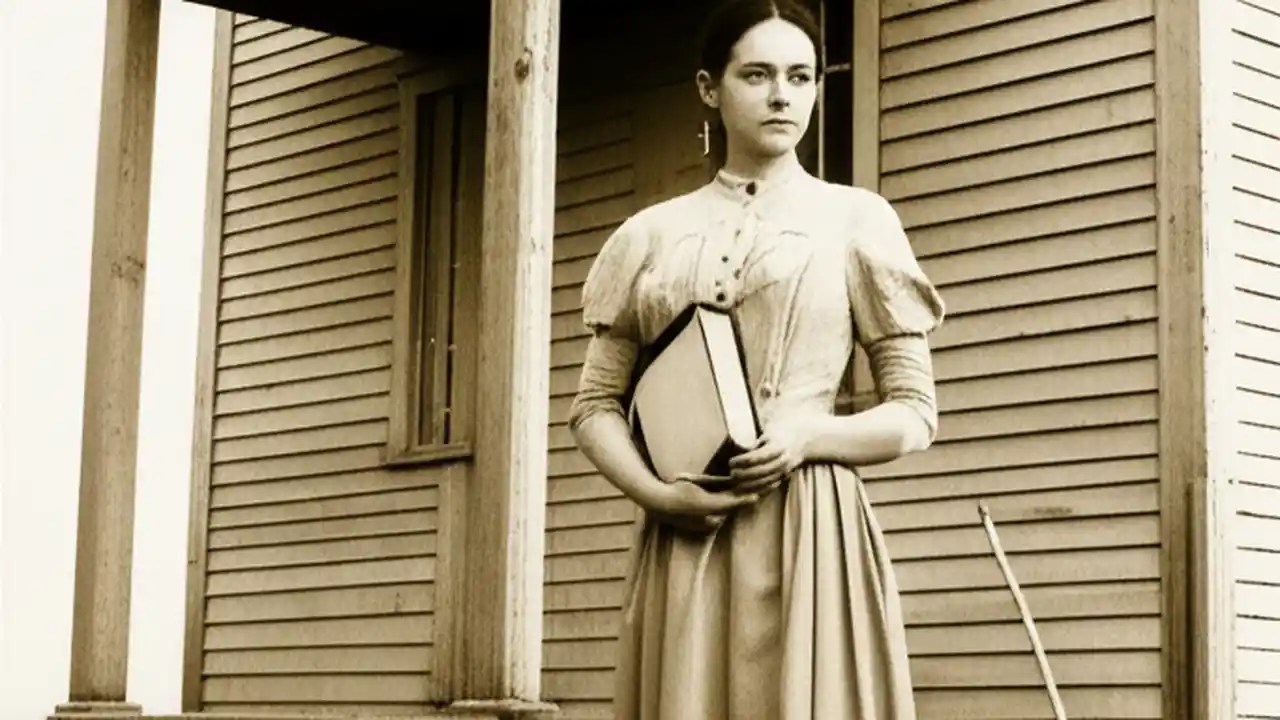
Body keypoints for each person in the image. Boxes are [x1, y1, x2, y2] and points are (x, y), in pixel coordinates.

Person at [567, 1, 945, 717]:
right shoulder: (651, 233)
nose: (781, 94)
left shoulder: (856, 219)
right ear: (711, 88)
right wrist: (661, 498)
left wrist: (808, 436)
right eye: (758, 74)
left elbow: (915, 414)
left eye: (800, 76)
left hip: (812, 527)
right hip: (687, 528)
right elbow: (593, 407)